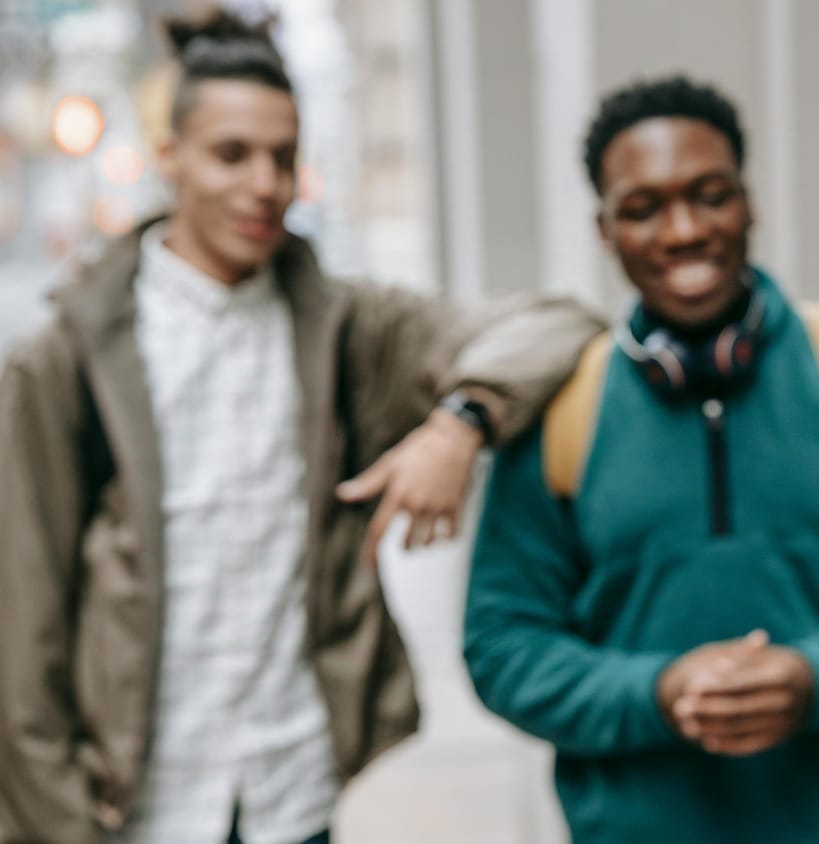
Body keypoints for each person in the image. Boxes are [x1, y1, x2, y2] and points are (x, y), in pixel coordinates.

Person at [0, 11, 602, 844]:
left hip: (293, 793)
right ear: (170, 159)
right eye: (232, 154)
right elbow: (21, 619)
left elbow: (559, 323)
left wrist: (459, 425)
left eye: (283, 158)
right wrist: (61, 820)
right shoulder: (68, 356)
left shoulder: (343, 326)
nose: (264, 184)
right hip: (134, 806)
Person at [463, 76, 819, 843]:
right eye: (642, 208)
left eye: (709, 195)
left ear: (748, 203)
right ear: (604, 230)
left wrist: (814, 682)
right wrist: (658, 692)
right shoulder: (558, 412)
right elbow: (503, 645)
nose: (683, 230)